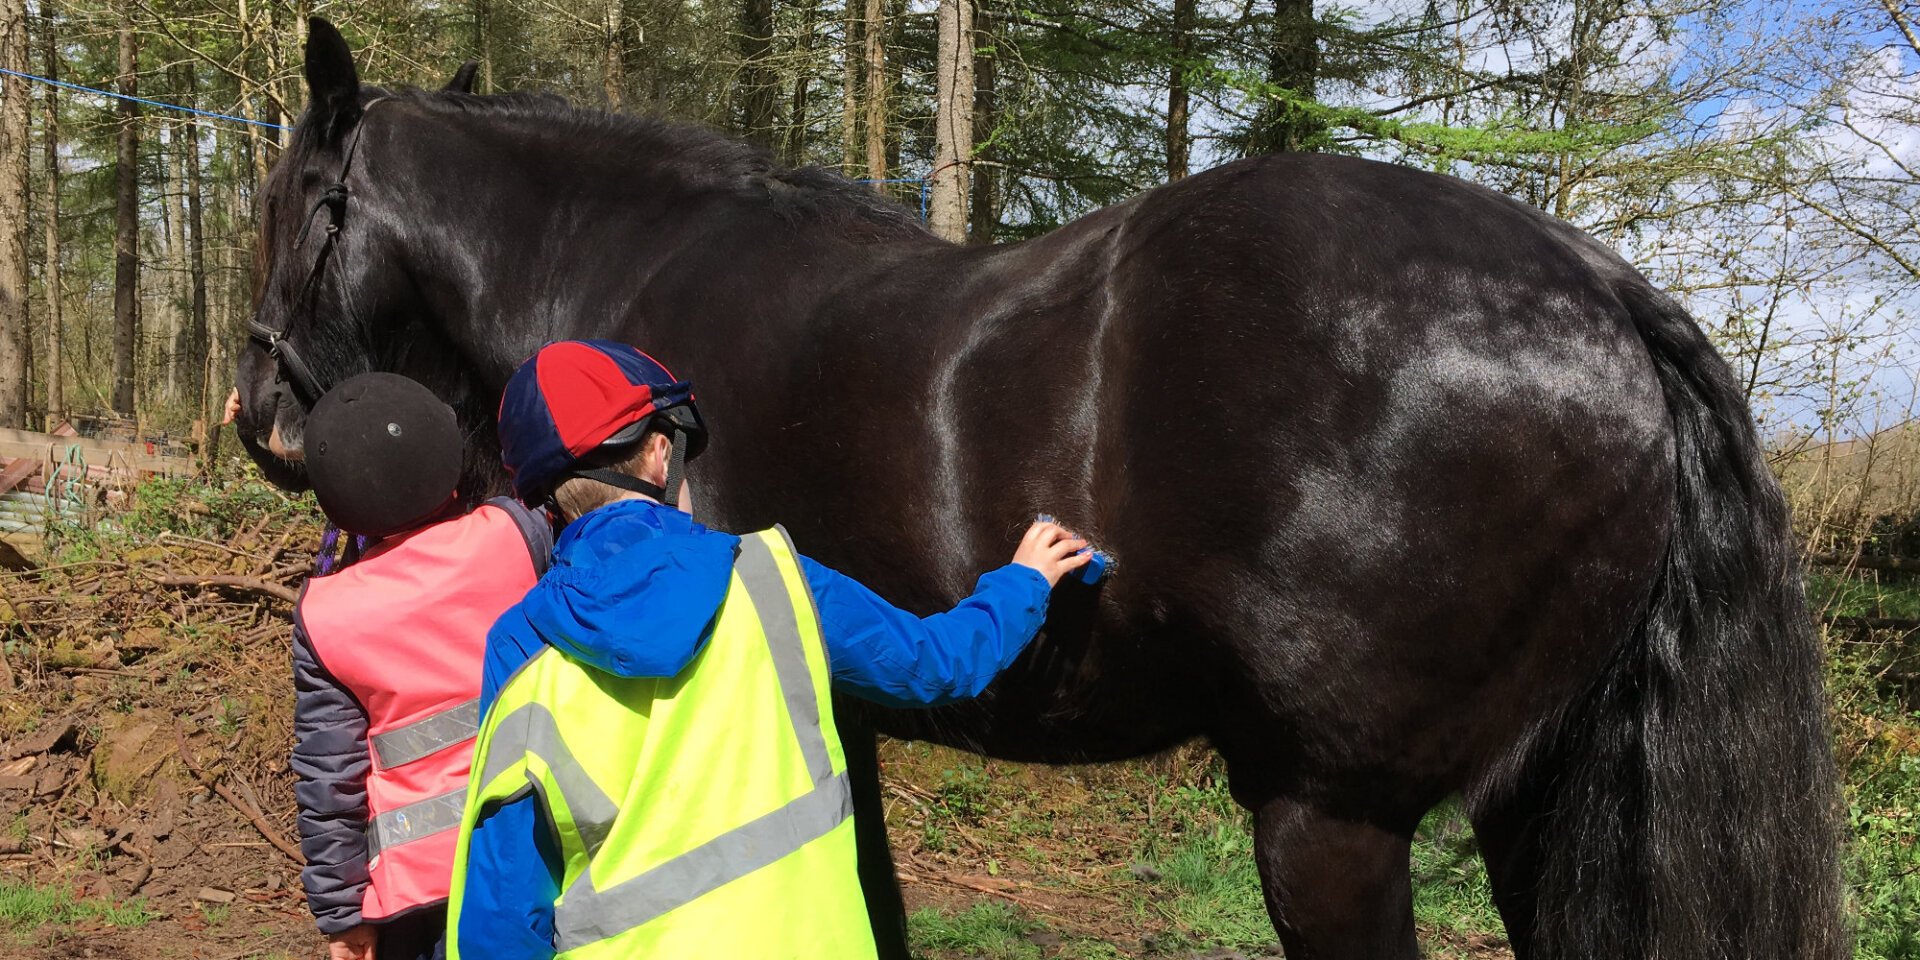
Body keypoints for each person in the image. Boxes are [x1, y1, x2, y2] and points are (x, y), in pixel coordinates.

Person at [445, 340, 1091, 960]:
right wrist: (1024, 581)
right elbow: (935, 665)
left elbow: (501, 917)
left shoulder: (521, 647)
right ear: (660, 457)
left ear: (546, 501)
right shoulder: (774, 578)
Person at [289, 373, 553, 960]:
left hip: (417, 894)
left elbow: (329, 777)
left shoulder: (326, 614)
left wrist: (341, 915)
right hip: (538, 844)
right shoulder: (516, 534)